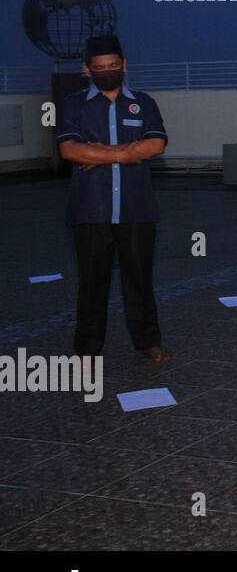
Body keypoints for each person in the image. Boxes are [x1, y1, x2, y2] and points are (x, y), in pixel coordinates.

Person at [56, 34, 171, 362]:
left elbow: (157, 144)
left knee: (139, 279)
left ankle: (148, 341)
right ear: (87, 70)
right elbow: (69, 149)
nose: (107, 71)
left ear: (124, 65)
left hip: (137, 209)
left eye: (113, 66)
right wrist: (127, 153)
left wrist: (101, 153)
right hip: (90, 209)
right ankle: (87, 349)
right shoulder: (74, 104)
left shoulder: (144, 103)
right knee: (92, 283)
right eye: (100, 68)